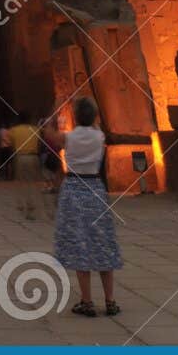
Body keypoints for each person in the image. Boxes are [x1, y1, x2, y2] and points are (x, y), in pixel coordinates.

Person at [54, 97, 123, 317]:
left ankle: (87, 301)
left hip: (74, 187)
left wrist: (54, 117)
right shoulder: (99, 136)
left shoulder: (69, 137)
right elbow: (96, 126)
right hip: (95, 188)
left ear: (75, 116)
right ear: (94, 116)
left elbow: (49, 136)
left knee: (79, 244)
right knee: (102, 243)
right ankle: (110, 300)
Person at [8, 112, 43, 219]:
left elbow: (11, 146)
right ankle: (31, 206)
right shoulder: (36, 129)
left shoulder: (13, 130)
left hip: (20, 157)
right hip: (33, 157)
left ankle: (22, 205)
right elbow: (40, 145)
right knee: (32, 182)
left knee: (22, 182)